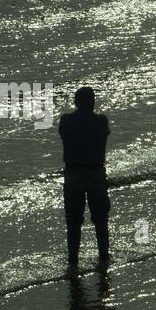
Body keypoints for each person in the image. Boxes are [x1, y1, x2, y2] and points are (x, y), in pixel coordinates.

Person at [58, 86, 110, 270]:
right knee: (100, 219)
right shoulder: (101, 122)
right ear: (92, 102)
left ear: (76, 102)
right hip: (95, 174)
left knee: (73, 221)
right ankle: (104, 257)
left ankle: (73, 262)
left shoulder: (66, 121)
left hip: (73, 174)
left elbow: (64, 135)